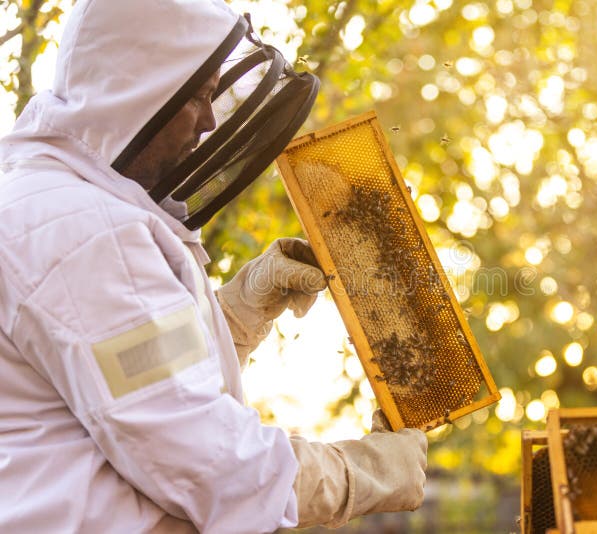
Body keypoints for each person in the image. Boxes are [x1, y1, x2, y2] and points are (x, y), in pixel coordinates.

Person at [0, 1, 427, 532]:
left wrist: (237, 312)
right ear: (142, 88)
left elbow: (128, 378)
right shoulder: (83, 229)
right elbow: (206, 458)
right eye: (199, 97)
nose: (207, 122)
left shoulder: (46, 202)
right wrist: (363, 472)